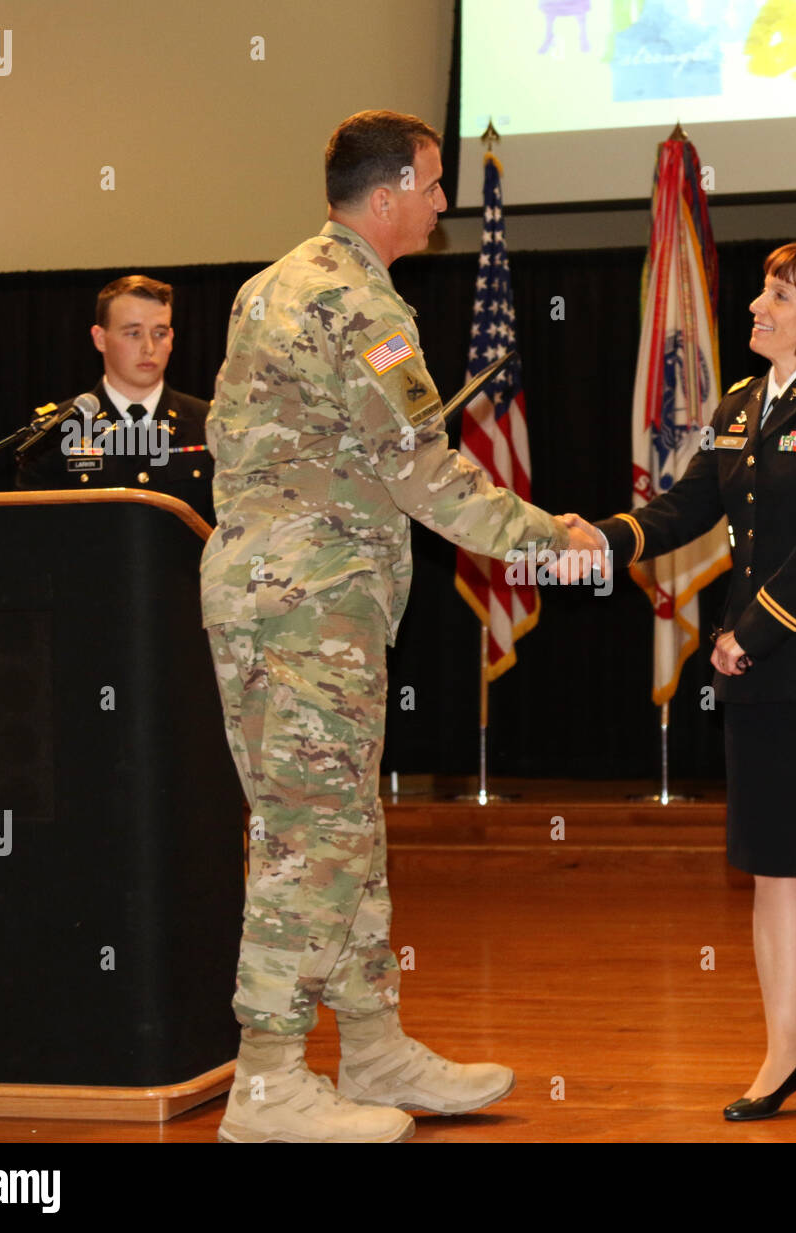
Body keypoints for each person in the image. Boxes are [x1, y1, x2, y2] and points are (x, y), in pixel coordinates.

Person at [201, 109, 601, 1144]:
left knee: (342, 829)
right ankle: (269, 1079)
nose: (439, 203)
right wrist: (541, 537)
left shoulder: (271, 284)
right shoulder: (356, 302)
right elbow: (418, 467)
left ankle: (371, 1045)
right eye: (430, 185)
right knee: (310, 842)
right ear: (385, 196)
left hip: (279, 596)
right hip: (309, 606)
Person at [571, 241, 796, 1128]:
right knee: (772, 867)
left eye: (778, 294)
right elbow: (686, 508)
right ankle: (784, 1049)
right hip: (757, 670)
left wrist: (749, 633)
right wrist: (606, 537)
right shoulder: (737, 405)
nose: (756, 307)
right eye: (762, 291)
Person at [15, 275, 215, 524]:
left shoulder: (208, 422)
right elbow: (34, 532)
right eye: (133, 333)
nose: (149, 347)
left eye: (160, 333)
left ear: (172, 338)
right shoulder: (57, 428)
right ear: (100, 338)